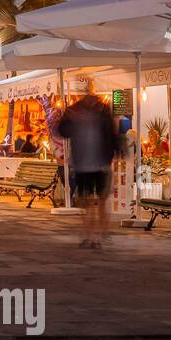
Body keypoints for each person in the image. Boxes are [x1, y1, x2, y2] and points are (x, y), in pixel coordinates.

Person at [58, 92, 121, 249]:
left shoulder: (104, 112)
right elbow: (62, 130)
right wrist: (68, 119)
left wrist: (117, 149)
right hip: (83, 164)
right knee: (87, 202)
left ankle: (97, 235)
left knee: (100, 201)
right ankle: (90, 235)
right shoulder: (75, 111)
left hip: (100, 164)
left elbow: (112, 134)